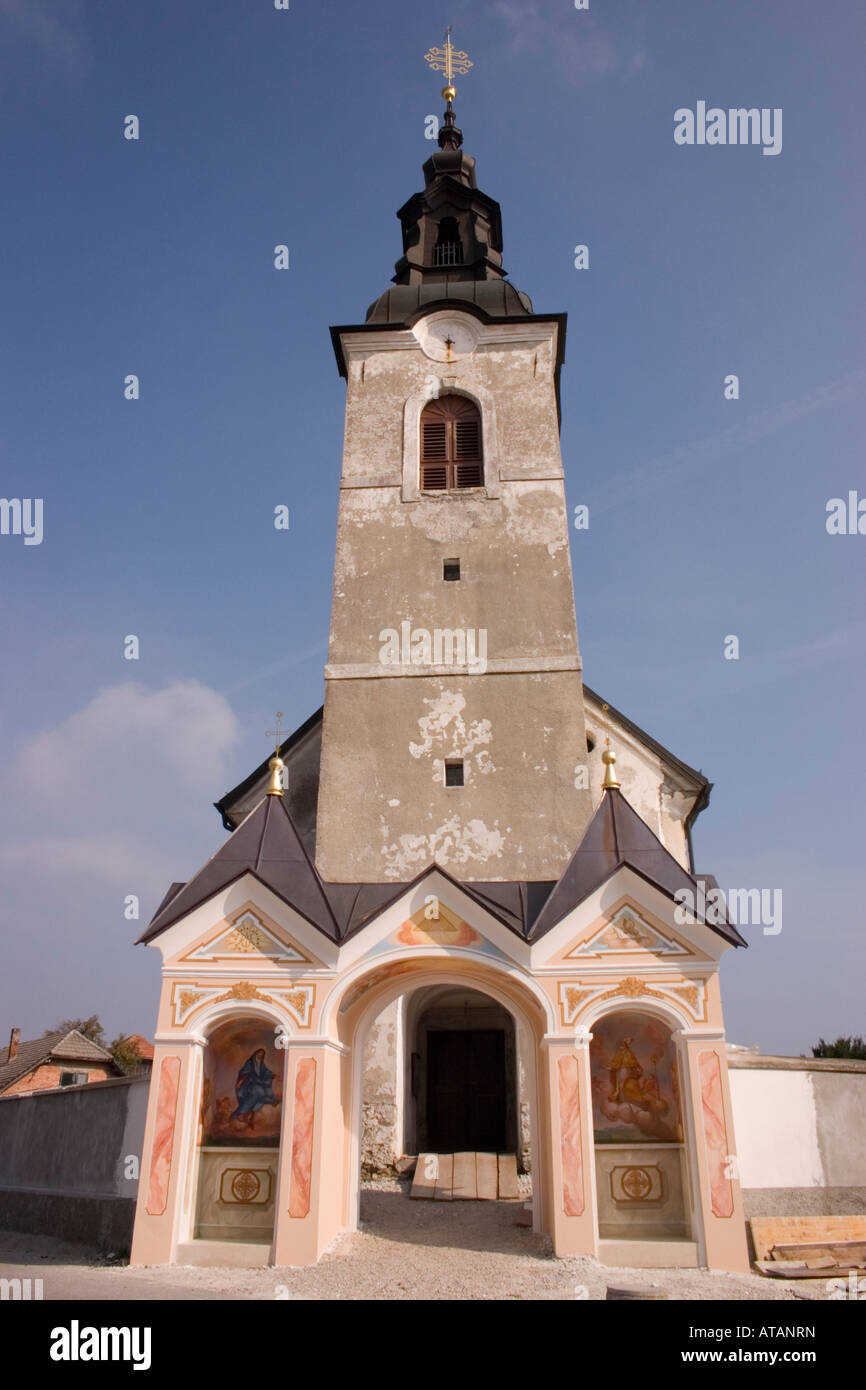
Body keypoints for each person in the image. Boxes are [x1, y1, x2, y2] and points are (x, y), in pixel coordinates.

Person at [231, 1048, 279, 1131]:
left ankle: (246, 1116)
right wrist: (239, 1082)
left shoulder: (261, 1064)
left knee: (260, 1097)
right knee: (260, 1093)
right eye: (259, 1053)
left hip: (257, 1084)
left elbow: (266, 1072)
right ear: (256, 1053)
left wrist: (272, 1075)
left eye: (262, 1054)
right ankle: (241, 1115)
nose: (260, 1055)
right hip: (248, 1085)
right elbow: (244, 1073)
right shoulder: (250, 1063)